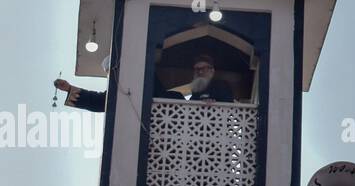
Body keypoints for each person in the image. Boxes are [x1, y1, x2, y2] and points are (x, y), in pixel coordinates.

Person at [55, 52, 232, 111]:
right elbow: (101, 102)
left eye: (114, 70)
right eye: (110, 73)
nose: (114, 76)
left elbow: (169, 98)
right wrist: (69, 88)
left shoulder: (146, 78)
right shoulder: (120, 92)